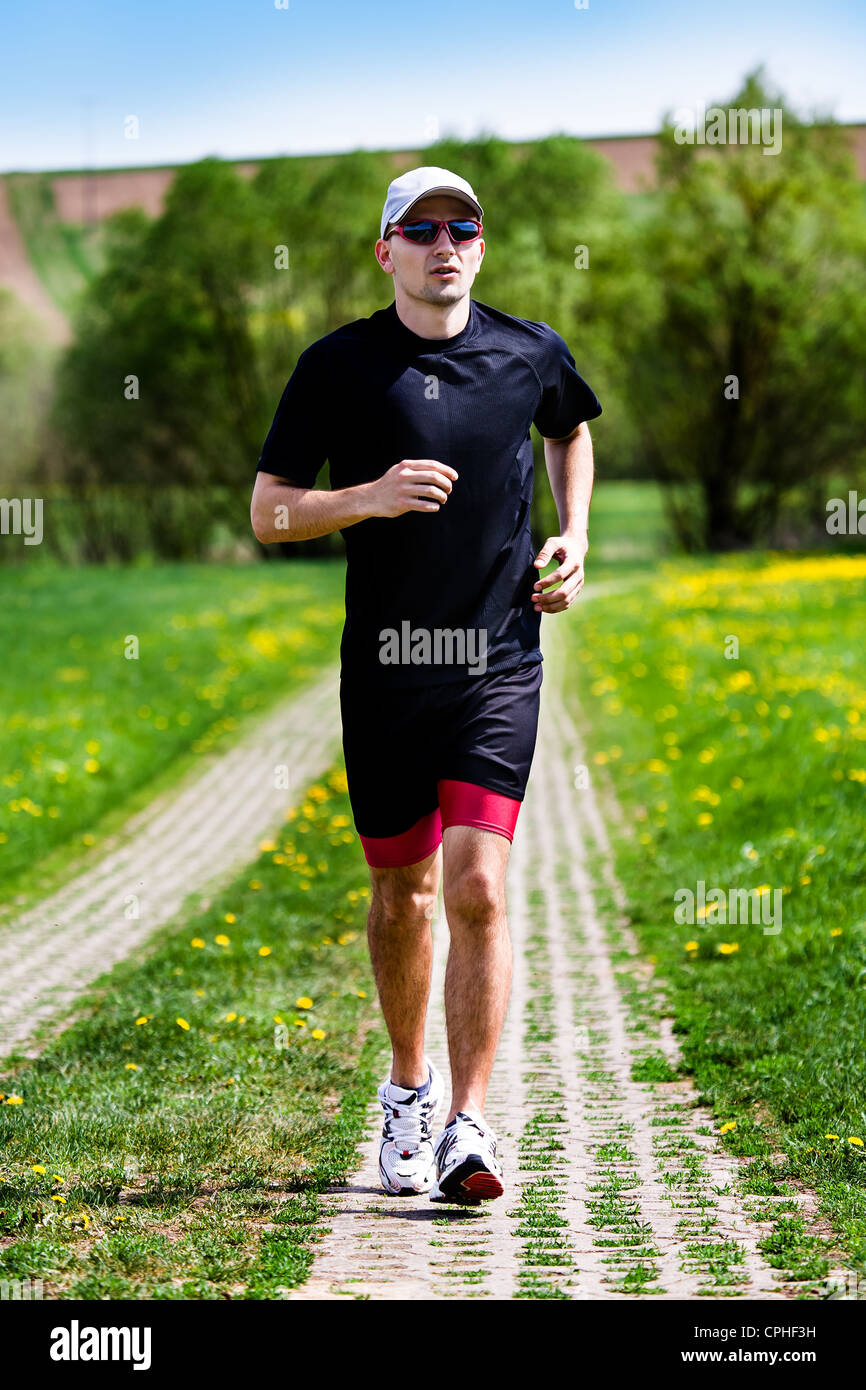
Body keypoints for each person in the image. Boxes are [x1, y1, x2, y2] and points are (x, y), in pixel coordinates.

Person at [251, 165, 601, 1204]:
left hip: (496, 662)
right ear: (386, 250)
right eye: (421, 228)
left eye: (463, 227)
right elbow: (269, 512)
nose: (444, 242)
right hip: (388, 671)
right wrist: (365, 496)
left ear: (479, 249)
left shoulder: (528, 349)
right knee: (401, 892)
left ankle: (467, 1121)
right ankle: (408, 1088)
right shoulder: (338, 366)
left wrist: (572, 534)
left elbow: (569, 426)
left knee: (477, 887)